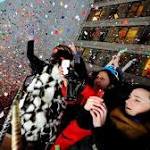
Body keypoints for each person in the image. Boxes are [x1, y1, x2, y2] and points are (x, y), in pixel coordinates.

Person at [80, 84, 150, 150]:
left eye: (137, 100)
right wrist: (86, 109)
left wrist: (99, 128)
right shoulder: (113, 111)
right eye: (129, 97)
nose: (127, 101)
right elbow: (82, 124)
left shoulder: (144, 138)